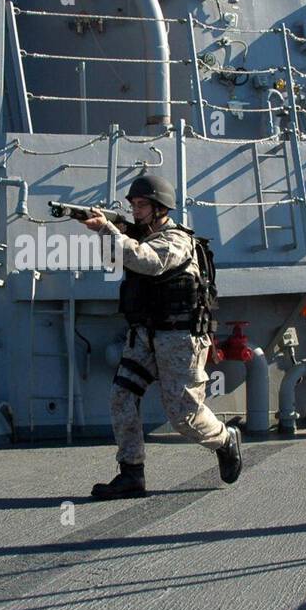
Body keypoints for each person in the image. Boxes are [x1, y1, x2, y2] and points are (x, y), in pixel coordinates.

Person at [80, 174, 241, 499]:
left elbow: (148, 261)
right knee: (122, 397)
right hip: (144, 336)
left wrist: (109, 230)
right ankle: (131, 474)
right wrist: (108, 231)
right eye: (133, 205)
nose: (136, 211)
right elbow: (117, 260)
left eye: (141, 205)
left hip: (180, 339)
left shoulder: (176, 239)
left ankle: (225, 438)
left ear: (159, 208)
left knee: (183, 415)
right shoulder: (141, 235)